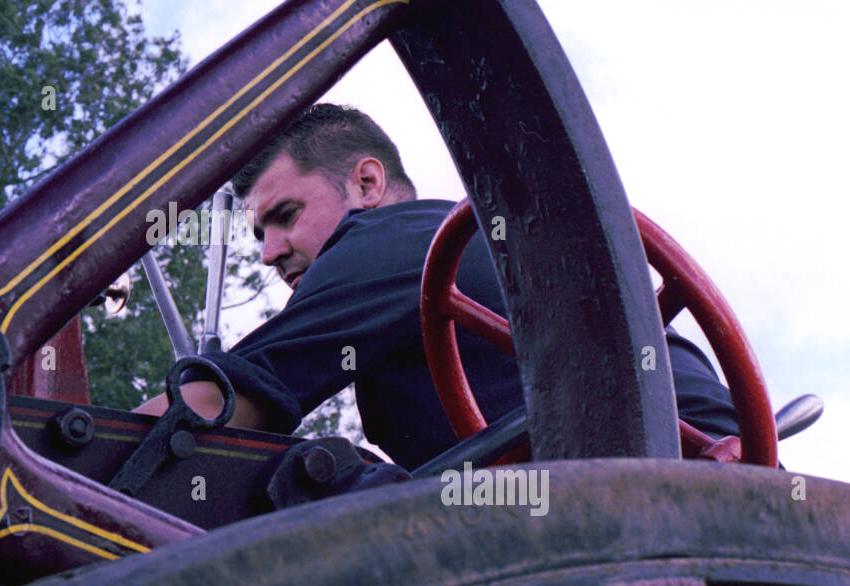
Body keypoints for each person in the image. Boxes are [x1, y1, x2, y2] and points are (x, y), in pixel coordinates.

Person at [137, 104, 740, 477]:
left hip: (660, 486)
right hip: (725, 475)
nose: (270, 252)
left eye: (286, 215)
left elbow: (231, 399)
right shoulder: (468, 252)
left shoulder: (384, 242)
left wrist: (91, 458)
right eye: (258, 234)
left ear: (366, 183)